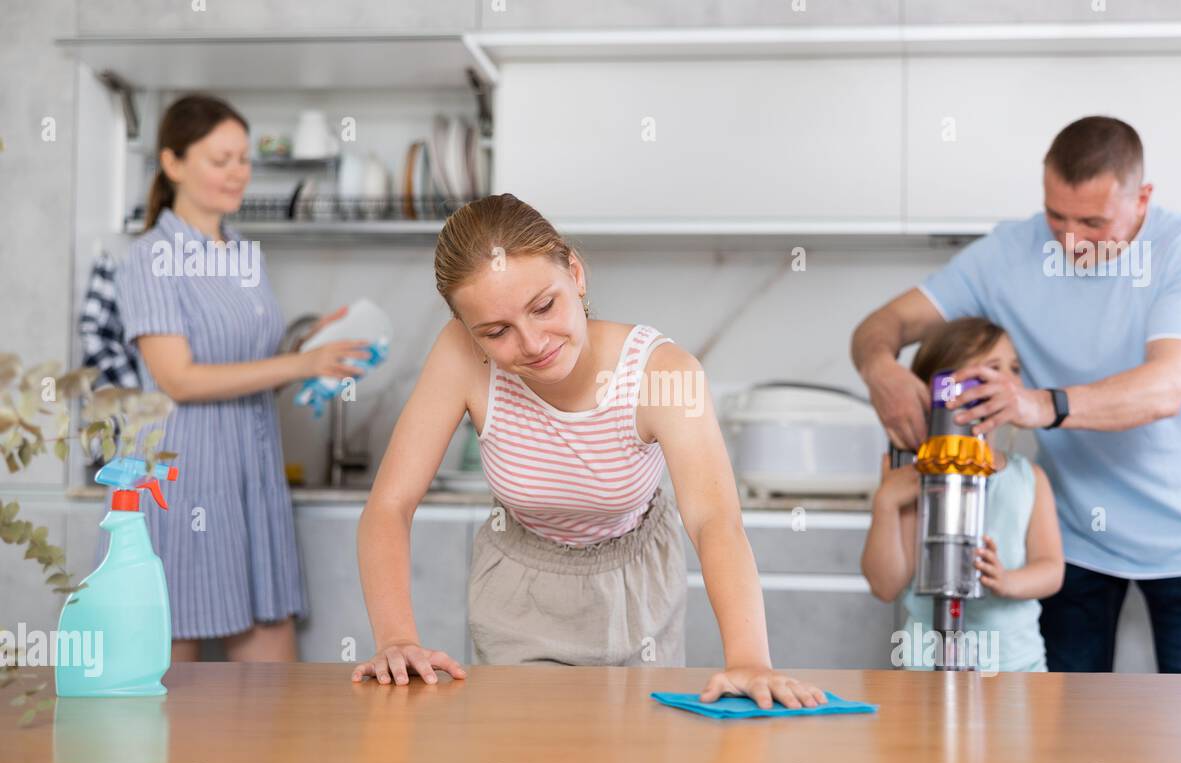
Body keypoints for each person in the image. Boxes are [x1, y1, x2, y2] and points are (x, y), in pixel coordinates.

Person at [352, 193, 827, 710]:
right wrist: (396, 638)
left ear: (575, 274)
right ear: (469, 333)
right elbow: (389, 505)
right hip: (518, 589)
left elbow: (716, 520)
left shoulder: (662, 372)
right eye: (496, 332)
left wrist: (751, 659)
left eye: (544, 306)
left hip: (638, 589)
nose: (532, 343)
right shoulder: (460, 355)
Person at [851, 116, 1181, 674]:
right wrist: (878, 367)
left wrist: (1039, 404)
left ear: (1143, 199)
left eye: (1092, 221)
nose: (1069, 239)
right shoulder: (1009, 253)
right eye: (1056, 215)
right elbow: (884, 323)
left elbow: (1165, 388)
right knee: (1066, 741)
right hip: (1077, 536)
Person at [106, 94, 370, 661]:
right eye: (219, 159)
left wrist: (307, 346)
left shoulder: (245, 256)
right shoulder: (150, 257)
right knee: (175, 686)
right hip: (184, 481)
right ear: (173, 163)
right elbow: (177, 379)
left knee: (273, 693)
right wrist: (298, 364)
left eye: (244, 158)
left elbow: (250, 372)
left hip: (253, 477)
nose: (237, 173)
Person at [860, 317, 1064, 672]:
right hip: (925, 672)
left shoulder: (1028, 479)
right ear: (941, 391)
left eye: (1014, 369)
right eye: (990, 370)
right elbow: (885, 585)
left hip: (1016, 670)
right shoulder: (911, 475)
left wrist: (1007, 581)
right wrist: (887, 503)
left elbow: (1051, 570)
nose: (1010, 382)